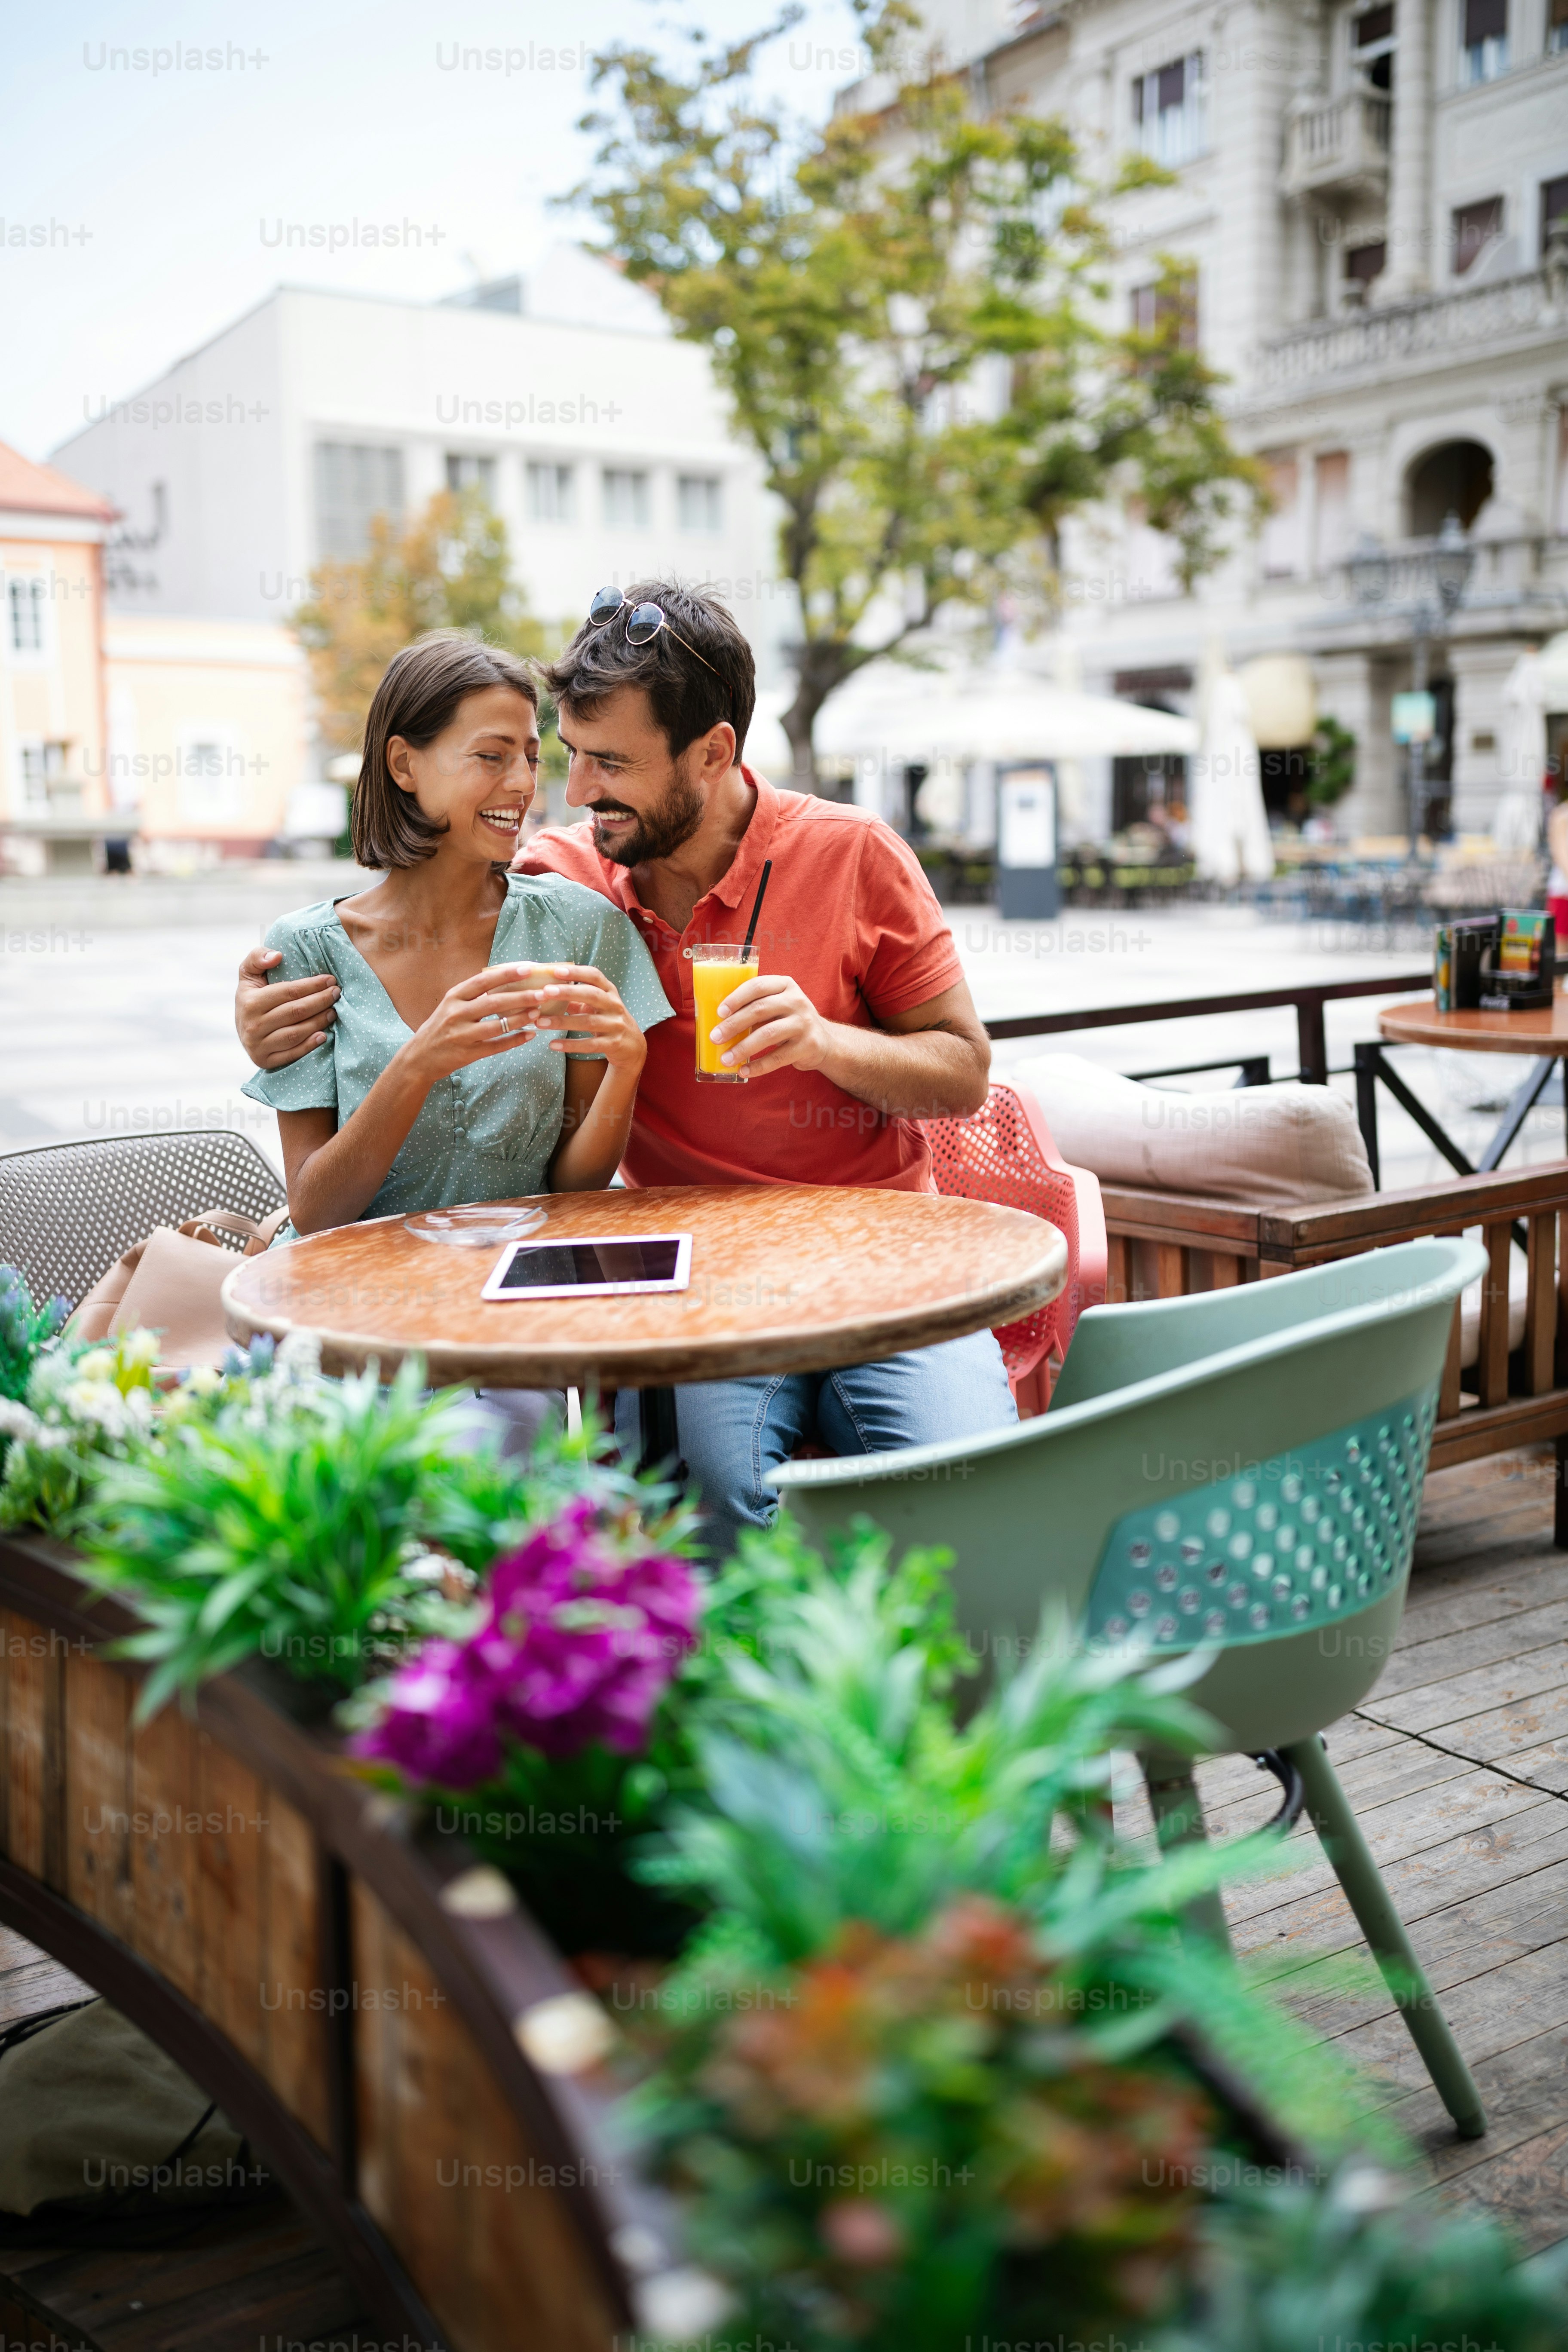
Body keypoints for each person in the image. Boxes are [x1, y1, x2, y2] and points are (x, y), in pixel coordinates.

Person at [236, 587, 1014, 1555]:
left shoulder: (853, 855)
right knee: (727, 1506)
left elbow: (962, 1073)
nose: (570, 791)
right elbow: (408, 913)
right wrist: (268, 1010)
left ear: (714, 755)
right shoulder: (569, 879)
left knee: (980, 1492)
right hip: (700, 1274)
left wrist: (823, 1042)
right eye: (565, 755)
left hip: (885, 1254)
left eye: (609, 764)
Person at [239, 631, 672, 1442]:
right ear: (405, 766)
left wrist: (626, 1063)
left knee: (480, 1455)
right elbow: (319, 1209)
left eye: (532, 756)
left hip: (503, 1322)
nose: (522, 785)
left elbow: (576, 1190)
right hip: (345, 1323)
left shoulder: (578, 929)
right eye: (490, 756)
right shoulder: (303, 951)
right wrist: (422, 1060)